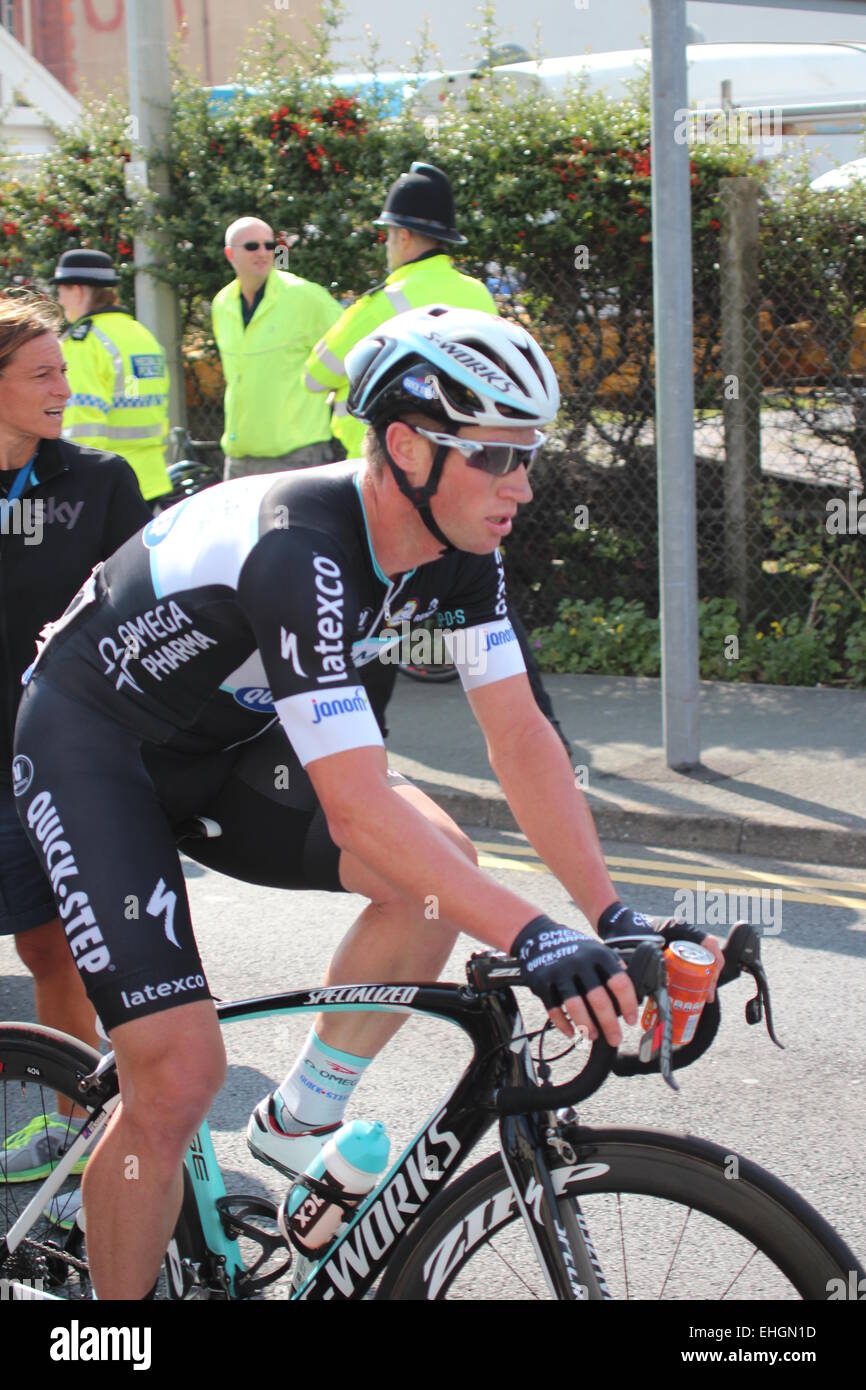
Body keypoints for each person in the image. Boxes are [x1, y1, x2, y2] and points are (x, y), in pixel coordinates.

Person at [14, 307, 722, 1299]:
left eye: (528, 457)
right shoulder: (300, 544)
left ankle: (301, 1118)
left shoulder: (458, 543)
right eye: (495, 457)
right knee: (174, 1078)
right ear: (405, 447)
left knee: (438, 875)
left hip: (223, 737)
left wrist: (604, 913)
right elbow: (353, 810)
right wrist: (535, 935)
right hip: (95, 742)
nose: (521, 486)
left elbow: (518, 736)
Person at [304, 161, 569, 749]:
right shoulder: (476, 293)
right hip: (476, 471)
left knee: (362, 629)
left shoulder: (384, 299)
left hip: (385, 490)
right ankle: (546, 734)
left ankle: (359, 753)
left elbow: (315, 373)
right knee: (488, 617)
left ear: (400, 236)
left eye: (388, 236)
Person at [0, 293, 151, 1181]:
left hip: (54, 753)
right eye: (43, 374)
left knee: (52, 947)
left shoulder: (99, 481)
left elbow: (142, 615)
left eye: (63, 370)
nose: (64, 387)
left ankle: (74, 1135)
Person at [212, 216, 344, 479]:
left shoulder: (305, 297)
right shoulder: (221, 303)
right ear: (230, 254)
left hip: (297, 457)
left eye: (269, 246)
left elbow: (353, 346)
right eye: (252, 246)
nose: (263, 252)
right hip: (239, 458)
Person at [55, 250, 172, 503]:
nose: (60, 300)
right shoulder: (141, 334)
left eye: (61, 290)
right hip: (153, 478)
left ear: (79, 291)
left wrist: (71, 483)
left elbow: (82, 423)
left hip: (106, 485)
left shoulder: (83, 342)